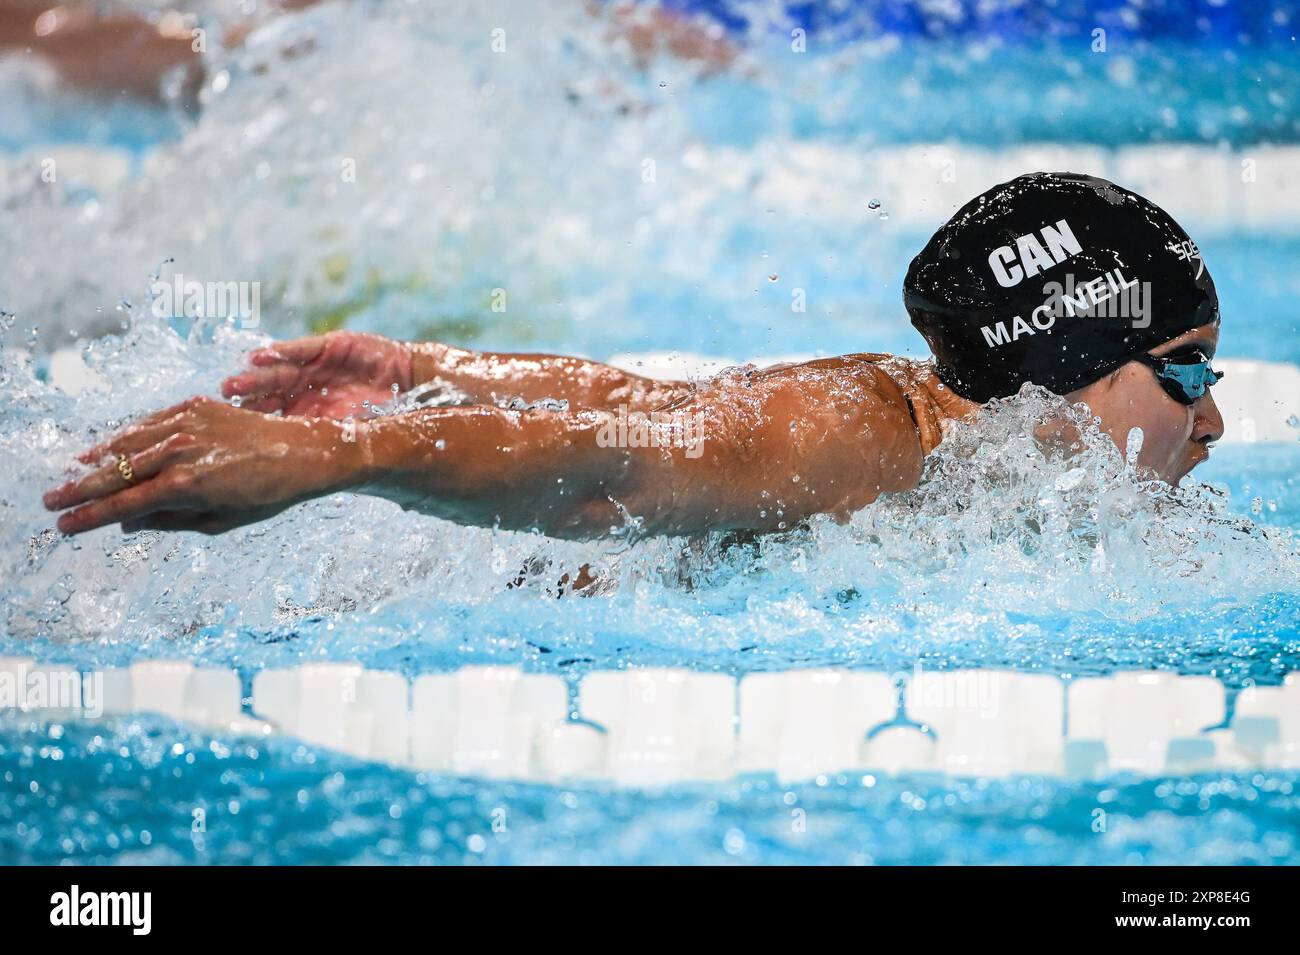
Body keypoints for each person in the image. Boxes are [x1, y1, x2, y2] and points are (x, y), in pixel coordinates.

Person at [43, 172, 1225, 539]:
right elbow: (609, 449)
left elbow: (637, 400)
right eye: (1186, 374)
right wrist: (327, 457)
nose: (1212, 420)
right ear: (1058, 373)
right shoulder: (862, 438)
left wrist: (419, 364)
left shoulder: (939, 421)